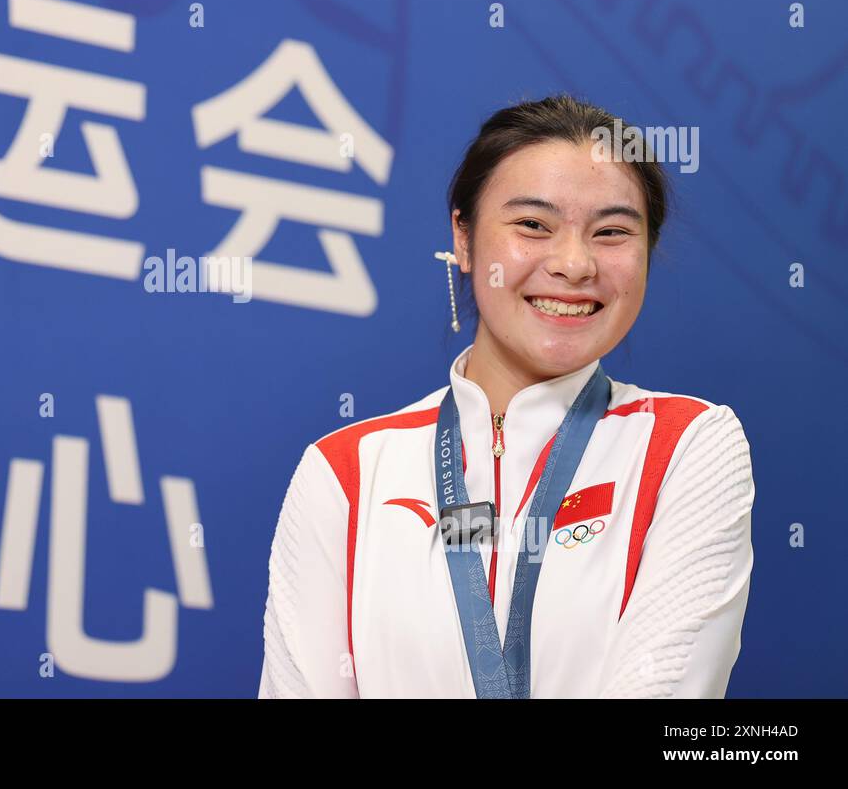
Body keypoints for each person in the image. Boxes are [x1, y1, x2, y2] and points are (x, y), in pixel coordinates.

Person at [258, 95, 755, 699]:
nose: (574, 264)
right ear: (462, 239)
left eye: (613, 232)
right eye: (532, 225)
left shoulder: (687, 446)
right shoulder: (346, 473)